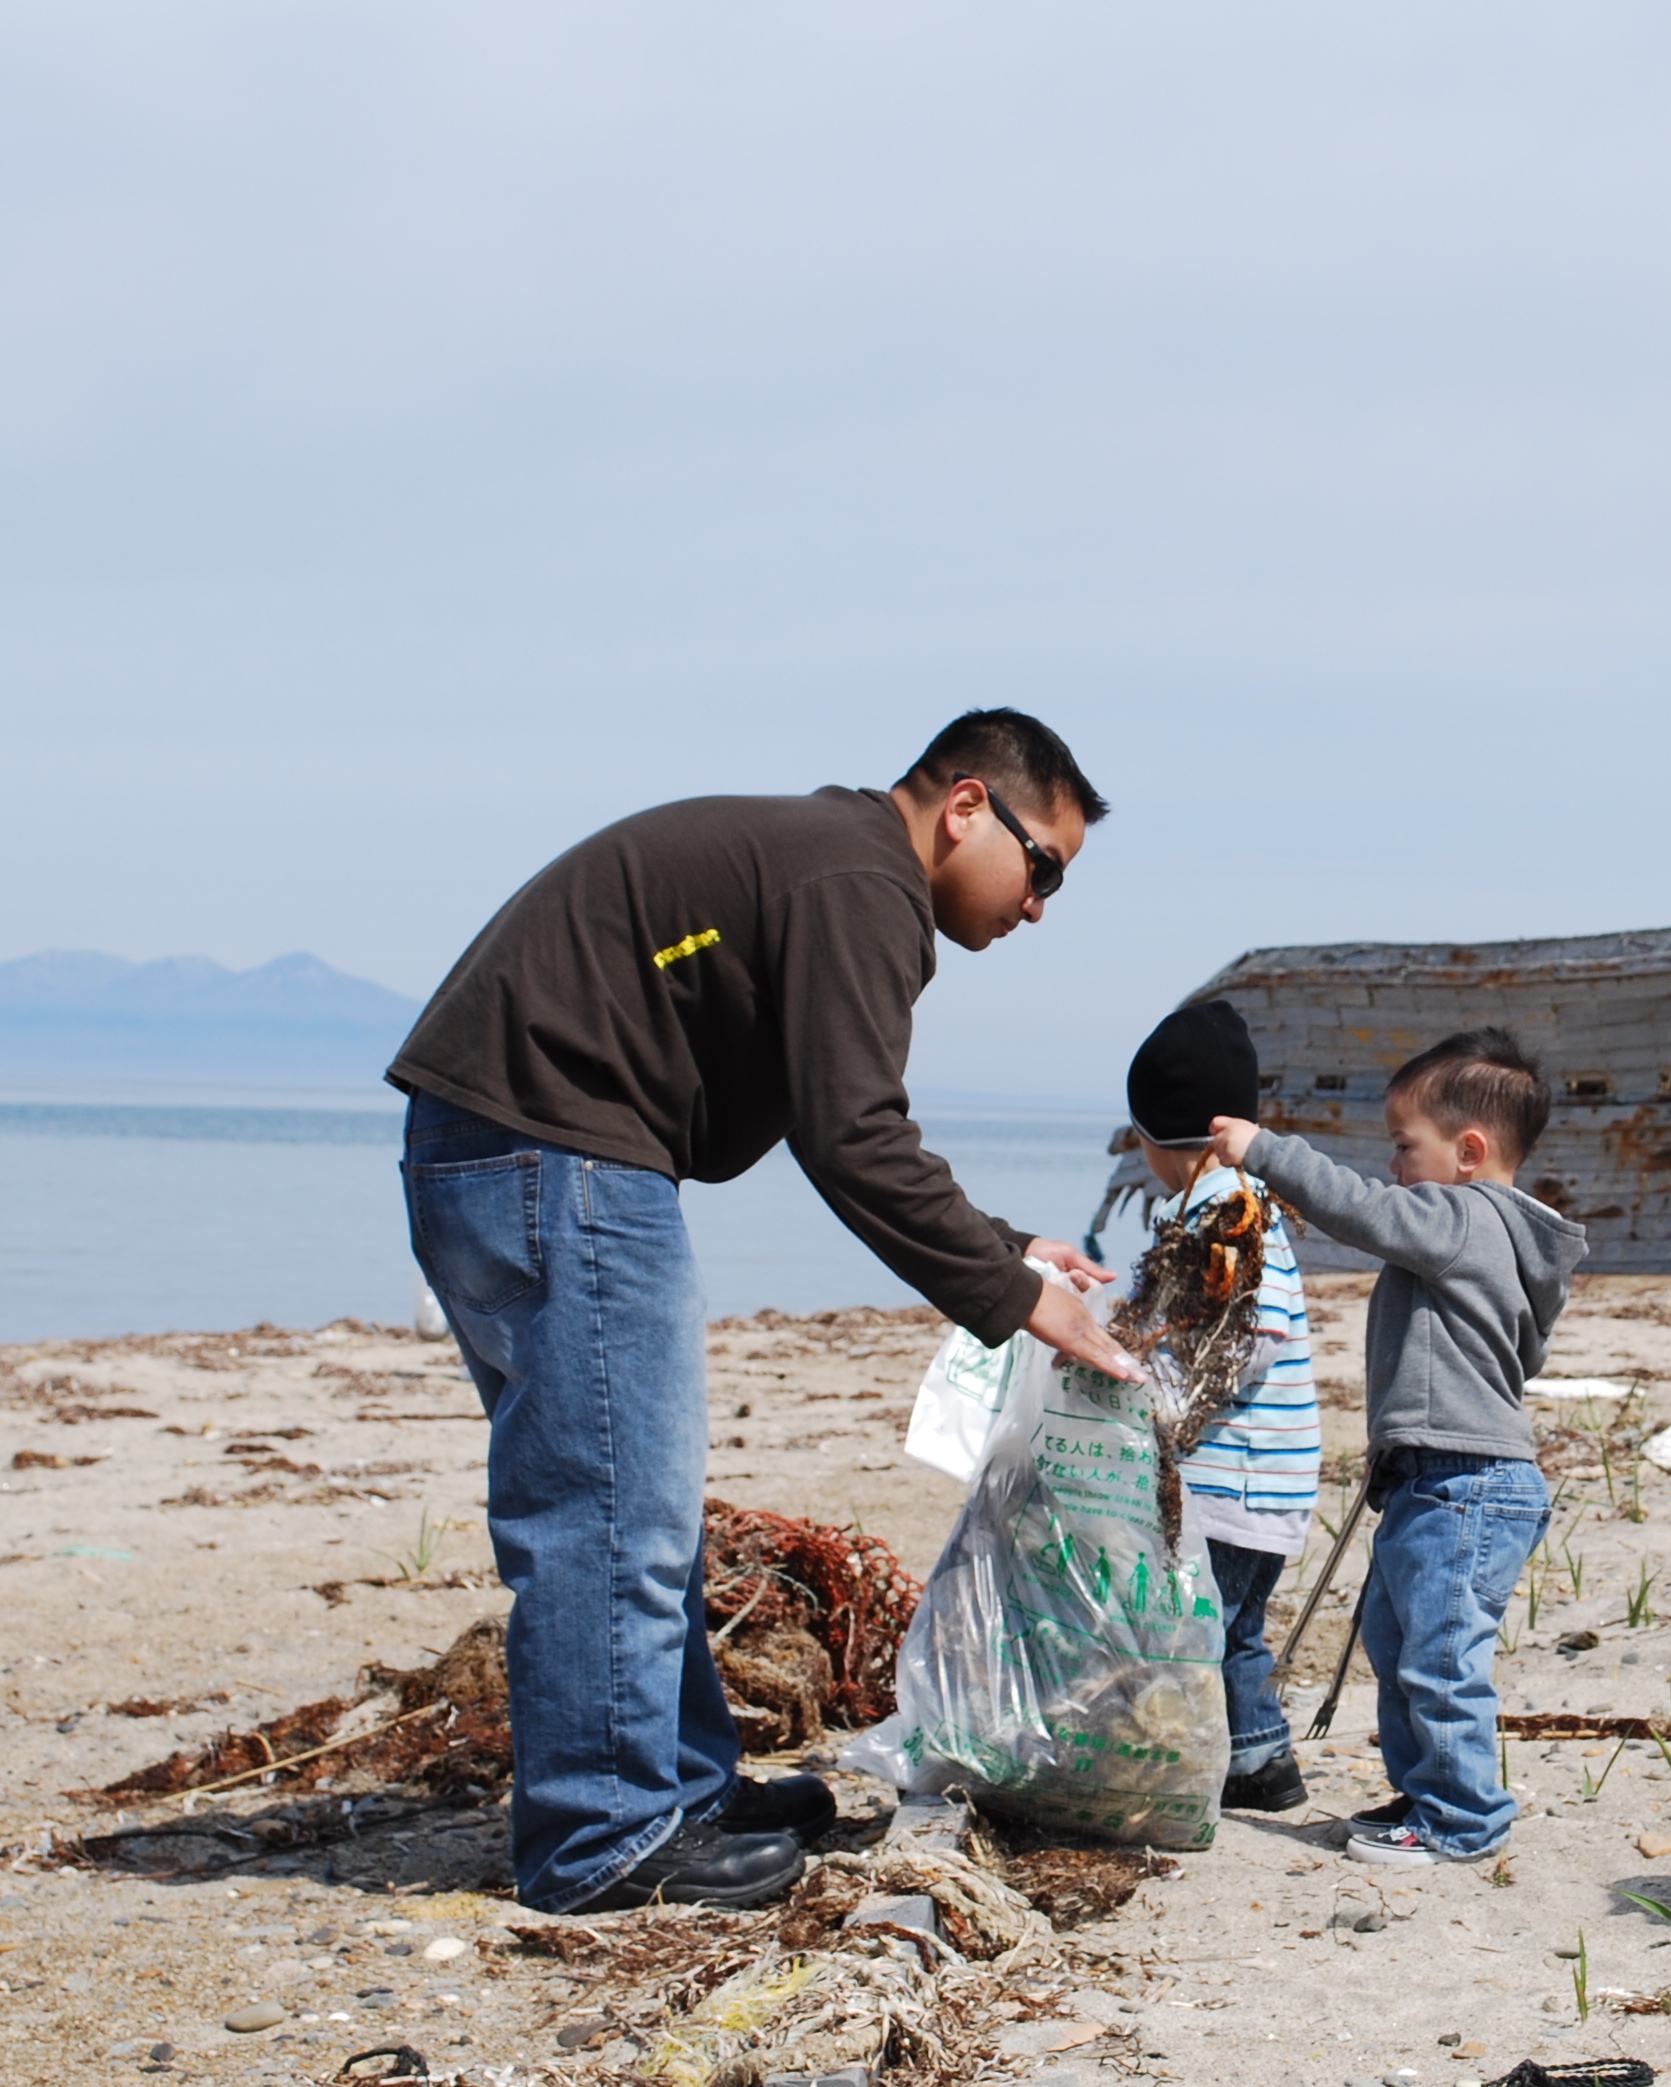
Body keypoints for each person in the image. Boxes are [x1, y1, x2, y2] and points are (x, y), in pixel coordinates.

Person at [389, 709, 1142, 1914]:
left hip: (512, 1145)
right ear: (964, 806)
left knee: (636, 1497)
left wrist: (1005, 1248)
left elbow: (830, 1113)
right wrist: (1018, 1299)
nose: (1038, 904)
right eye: (1040, 866)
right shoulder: (861, 880)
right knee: (608, 1510)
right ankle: (601, 1837)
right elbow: (852, 1134)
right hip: (555, 1152)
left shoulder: (830, 860)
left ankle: (676, 1785)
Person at [1206, 1030, 1584, 1867]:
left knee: (1441, 1654)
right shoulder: (1493, 1241)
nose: (1392, 1165)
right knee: (1395, 1635)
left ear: (1468, 1153)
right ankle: (1425, 1792)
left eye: (1404, 1145)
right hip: (1440, 1479)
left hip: (1466, 1483)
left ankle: (1462, 1818)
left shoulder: (1465, 1215)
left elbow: (1364, 1210)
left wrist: (1263, 1150)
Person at [1112, 998, 1323, 1812]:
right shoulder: (1230, 1202)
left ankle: (1249, 1764)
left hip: (1237, 1481)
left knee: (1205, 1630)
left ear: (1163, 1140)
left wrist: (1166, 1388)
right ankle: (1255, 1760)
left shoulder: (1228, 1209)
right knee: (1231, 1630)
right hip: (1259, 1479)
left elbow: (1247, 1329)